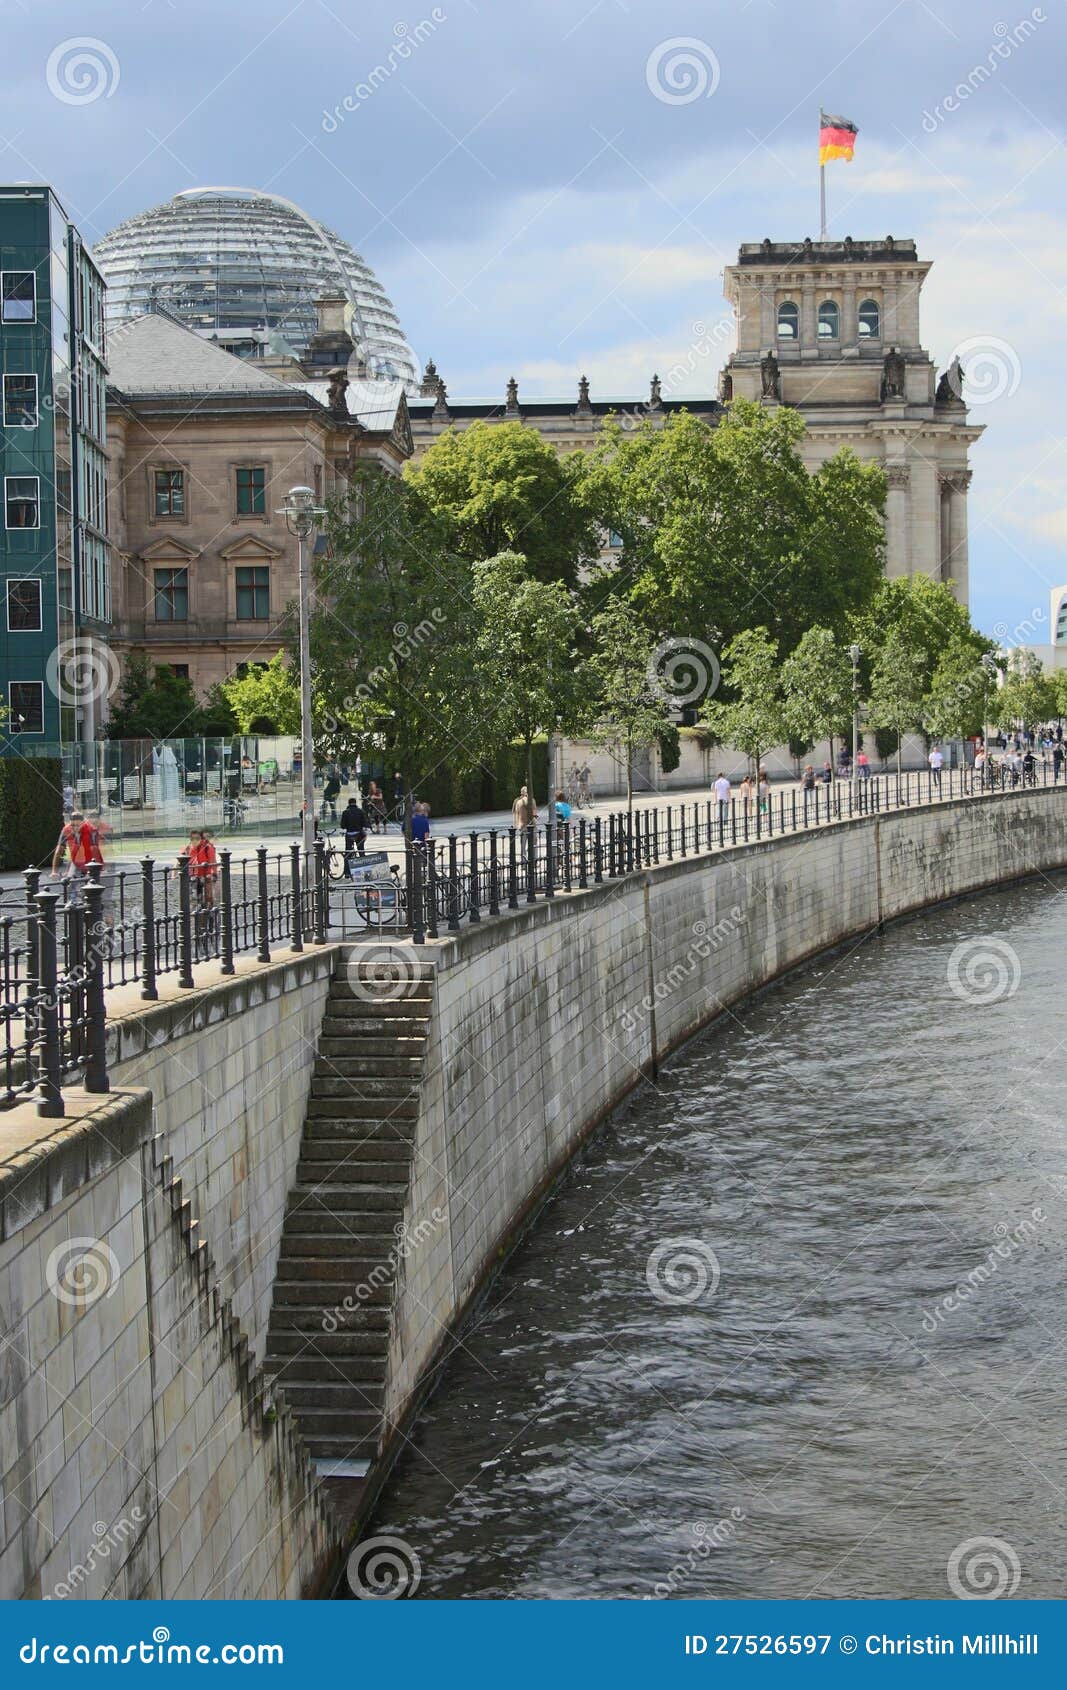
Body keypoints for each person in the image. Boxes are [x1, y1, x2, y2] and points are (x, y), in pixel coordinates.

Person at [51, 810, 104, 901]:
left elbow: (96, 850)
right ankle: (72, 904)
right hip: (76, 862)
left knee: (92, 888)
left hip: (91, 863)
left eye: (78, 825)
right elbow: (59, 850)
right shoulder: (66, 830)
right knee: (70, 884)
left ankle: (92, 904)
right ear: (69, 823)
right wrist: (54, 871)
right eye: (73, 825)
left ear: (83, 823)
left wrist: (101, 867)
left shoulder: (91, 829)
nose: (75, 828)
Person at [340, 793, 367, 867]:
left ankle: (347, 870)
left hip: (349, 834)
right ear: (355, 803)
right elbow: (364, 823)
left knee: (348, 852)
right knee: (361, 850)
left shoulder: (345, 812)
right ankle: (364, 866)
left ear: (348, 803)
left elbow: (342, 826)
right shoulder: (360, 811)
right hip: (359, 834)